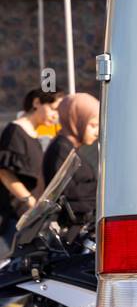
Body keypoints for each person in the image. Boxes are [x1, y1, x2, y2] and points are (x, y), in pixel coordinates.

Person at [0, 90, 59, 250]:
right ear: (36, 103)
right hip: (14, 218)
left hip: (29, 217)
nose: (55, 116)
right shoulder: (14, 133)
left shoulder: (33, 135)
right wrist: (29, 201)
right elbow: (4, 173)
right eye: (53, 109)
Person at [42, 92, 100, 225]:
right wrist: (101, 188)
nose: (96, 132)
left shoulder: (69, 148)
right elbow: (66, 192)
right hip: (72, 229)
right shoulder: (61, 149)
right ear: (76, 119)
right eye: (92, 125)